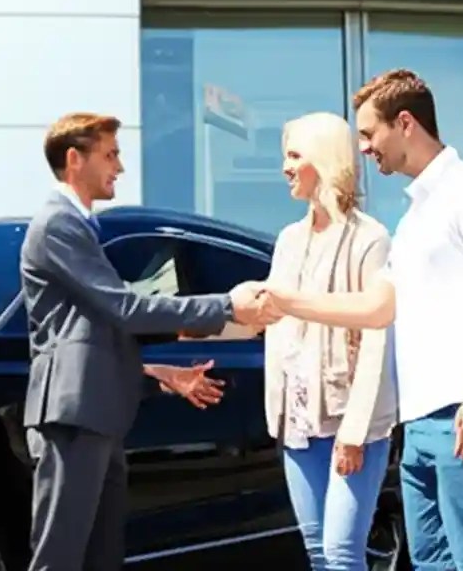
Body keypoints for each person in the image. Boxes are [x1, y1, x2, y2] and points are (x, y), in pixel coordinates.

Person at [261, 70, 463, 571]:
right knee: (432, 561)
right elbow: (376, 309)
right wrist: (282, 302)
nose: (363, 148)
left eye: (368, 134)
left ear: (404, 123)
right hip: (420, 420)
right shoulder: (413, 220)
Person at [20, 111, 277, 571]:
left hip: (98, 416)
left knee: (100, 559)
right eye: (111, 154)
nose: (119, 167)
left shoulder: (77, 227)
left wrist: (159, 373)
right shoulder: (58, 224)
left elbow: (90, 334)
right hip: (76, 416)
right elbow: (125, 309)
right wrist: (226, 306)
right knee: (58, 559)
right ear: (75, 159)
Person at [263, 111, 397, 571]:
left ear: (324, 158)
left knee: (342, 554)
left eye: (294, 155)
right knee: (320, 556)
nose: (284, 167)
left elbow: (378, 335)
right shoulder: (287, 240)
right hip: (298, 425)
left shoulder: (370, 237)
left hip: (349, 423)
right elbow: (269, 311)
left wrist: (355, 431)